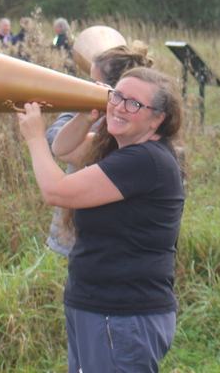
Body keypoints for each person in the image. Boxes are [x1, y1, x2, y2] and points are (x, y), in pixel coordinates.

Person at [18, 67, 185, 373]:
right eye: (116, 96)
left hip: (121, 313)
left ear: (157, 118)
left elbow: (56, 191)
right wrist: (85, 116)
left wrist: (33, 136)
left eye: (134, 104)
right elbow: (64, 149)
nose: (120, 107)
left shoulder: (144, 160)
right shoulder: (122, 147)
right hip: (98, 306)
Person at [44, 42, 155, 257]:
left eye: (95, 83)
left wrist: (33, 135)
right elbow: (59, 145)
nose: (90, 86)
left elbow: (55, 187)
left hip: (98, 240)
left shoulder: (120, 133)